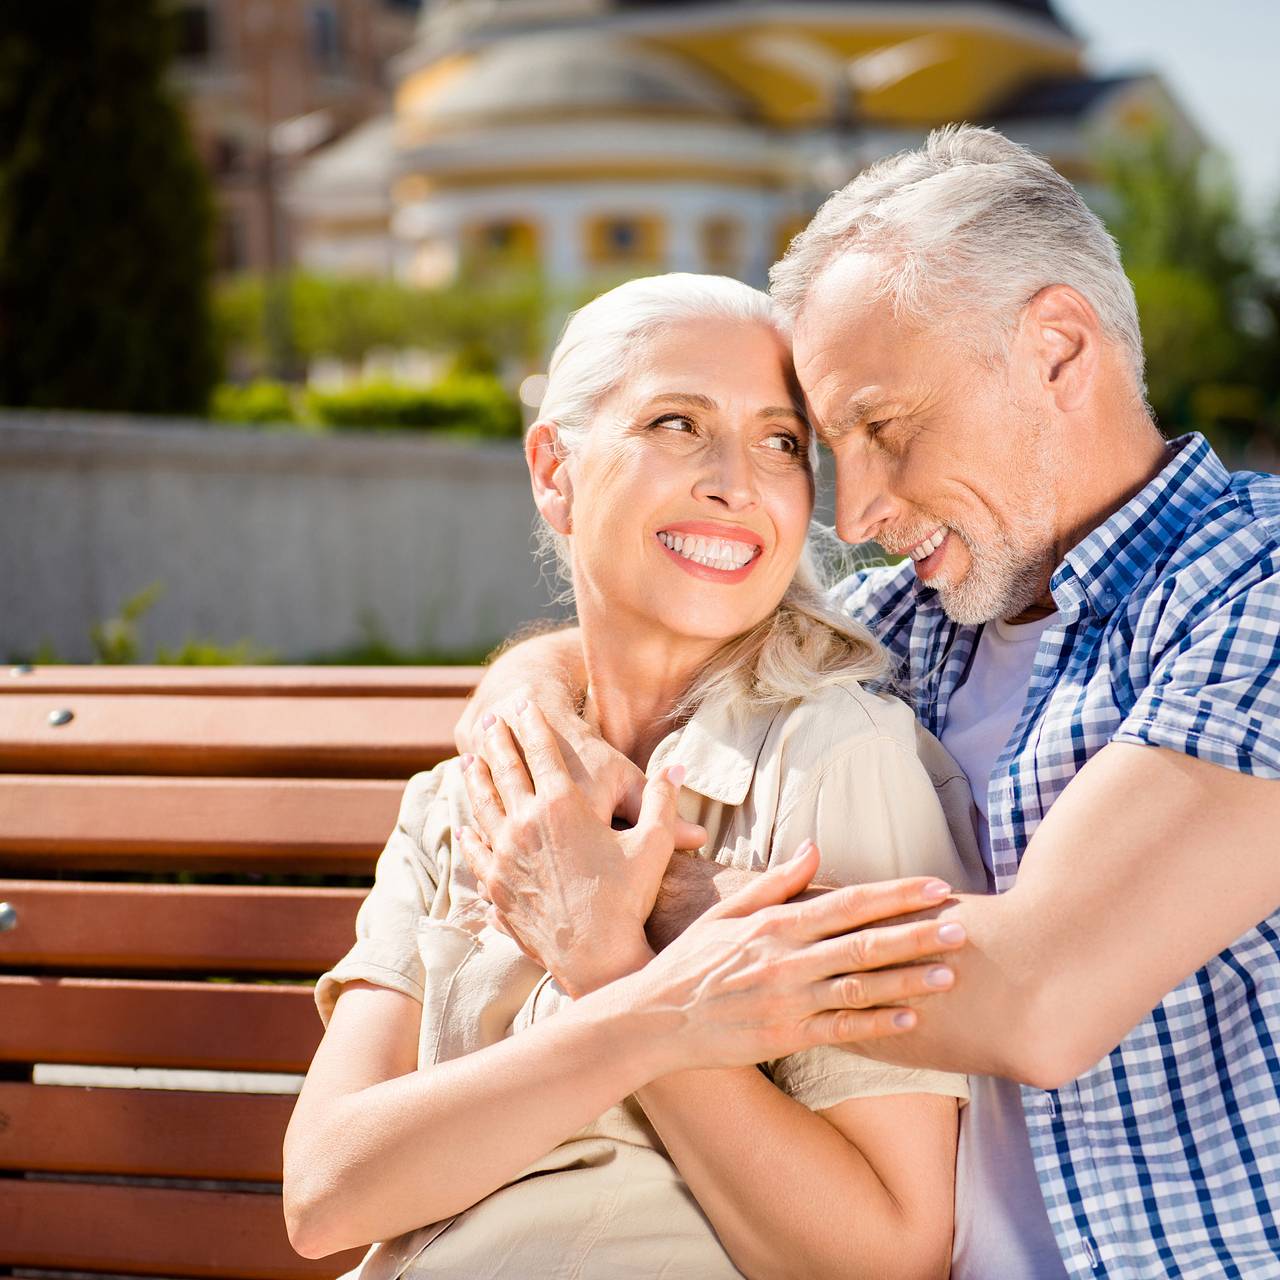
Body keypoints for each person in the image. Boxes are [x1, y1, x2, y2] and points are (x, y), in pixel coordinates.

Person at [457, 126, 1280, 1278]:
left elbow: (1035, 991)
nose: (855, 513)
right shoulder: (913, 619)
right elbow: (644, 640)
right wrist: (527, 691)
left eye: (884, 429)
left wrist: (627, 903)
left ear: (1054, 350)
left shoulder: (1253, 589)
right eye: (829, 449)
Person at [282, 272, 989, 1278]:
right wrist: (644, 1017)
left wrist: (605, 958)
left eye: (780, 442)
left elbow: (885, 1254)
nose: (735, 481)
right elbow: (324, 1195)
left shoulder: (837, 759)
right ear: (554, 471)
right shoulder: (467, 792)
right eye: (676, 423)